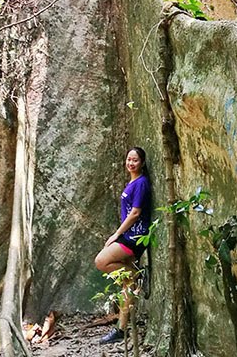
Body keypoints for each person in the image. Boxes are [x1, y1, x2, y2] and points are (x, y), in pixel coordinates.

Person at [94, 146, 151, 344]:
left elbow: (135, 213)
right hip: (128, 235)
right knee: (126, 285)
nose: (130, 163)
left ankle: (137, 274)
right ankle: (121, 329)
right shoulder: (133, 181)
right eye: (128, 159)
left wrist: (116, 234)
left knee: (101, 261)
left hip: (135, 236)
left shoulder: (142, 183)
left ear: (142, 163)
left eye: (135, 160)